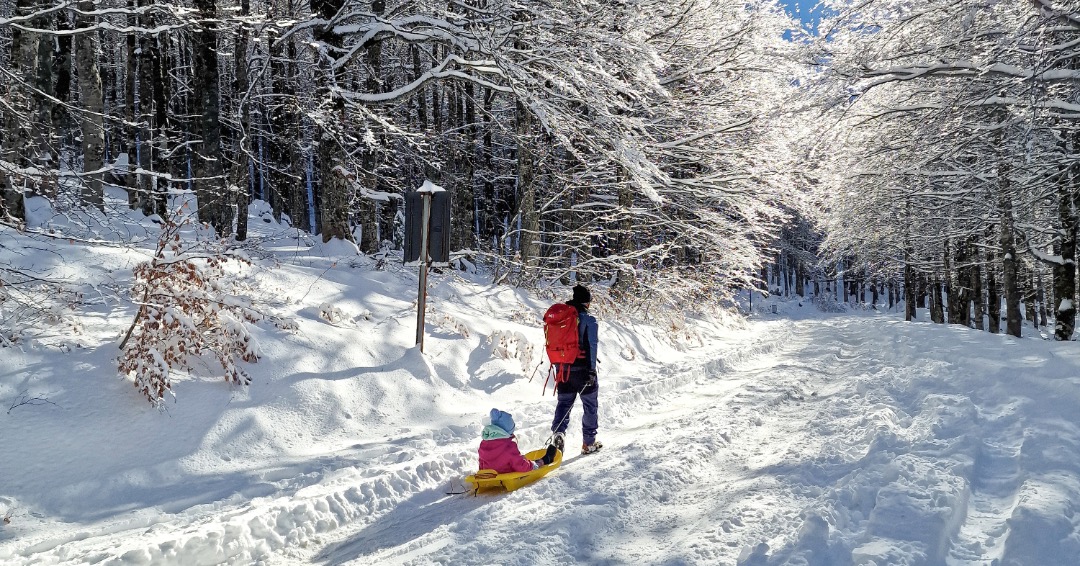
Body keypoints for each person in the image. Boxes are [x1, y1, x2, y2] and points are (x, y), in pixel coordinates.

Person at [551, 284, 602, 455]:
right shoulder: (589, 320)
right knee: (590, 406)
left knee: (564, 404)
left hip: (563, 371)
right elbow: (592, 346)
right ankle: (589, 443)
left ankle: (558, 434)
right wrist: (592, 370)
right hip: (583, 371)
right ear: (586, 302)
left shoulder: (562, 318)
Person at [478, 409, 558, 473]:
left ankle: (528, 460)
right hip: (506, 473)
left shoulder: (484, 443)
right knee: (527, 463)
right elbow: (520, 466)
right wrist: (532, 466)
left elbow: (482, 461)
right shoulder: (509, 445)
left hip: (489, 473)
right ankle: (544, 460)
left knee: (517, 458)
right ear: (506, 431)